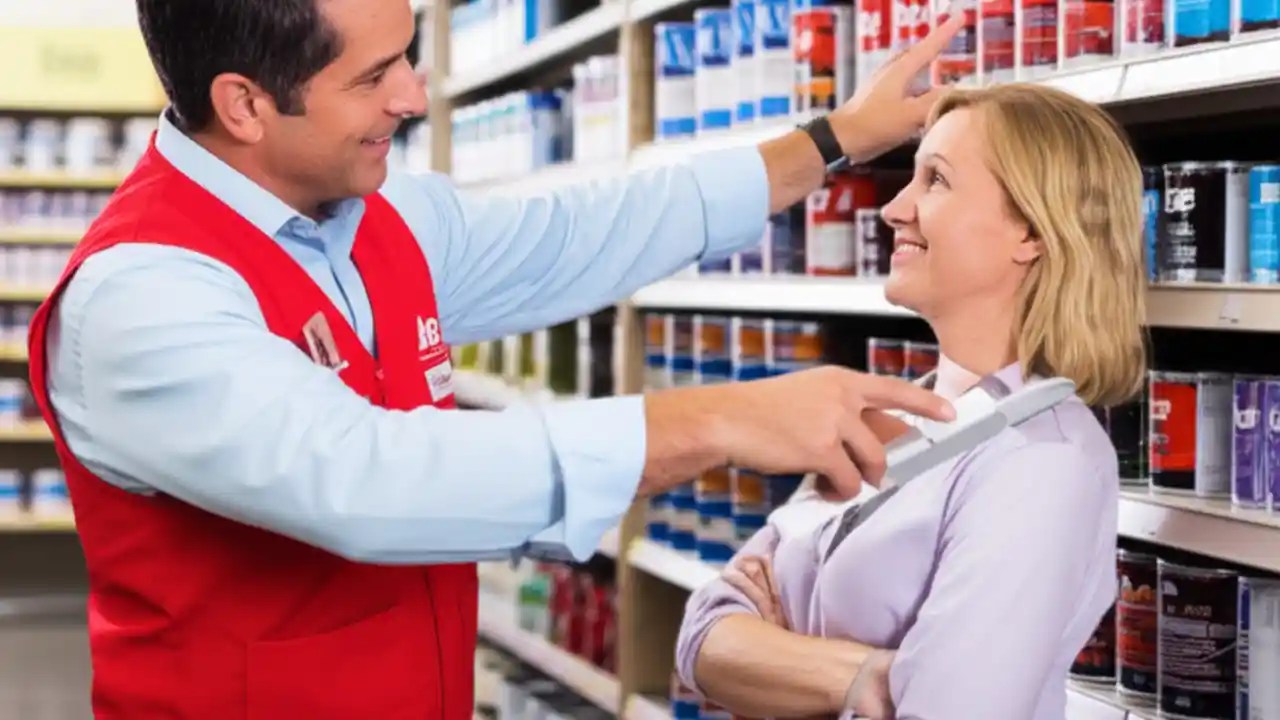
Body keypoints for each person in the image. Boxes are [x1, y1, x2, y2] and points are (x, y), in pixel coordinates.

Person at [23, 0, 964, 717]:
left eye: (413, 59)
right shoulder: (142, 296)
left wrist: (839, 140)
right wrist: (715, 418)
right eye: (376, 75)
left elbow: (590, 232)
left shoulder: (378, 219)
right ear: (246, 104)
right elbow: (369, 481)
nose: (414, 96)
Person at [675, 82, 1148, 720]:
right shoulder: (892, 418)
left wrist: (776, 661)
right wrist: (870, 676)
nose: (894, 208)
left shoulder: (1044, 462)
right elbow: (702, 635)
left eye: (936, 181)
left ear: (1032, 231)